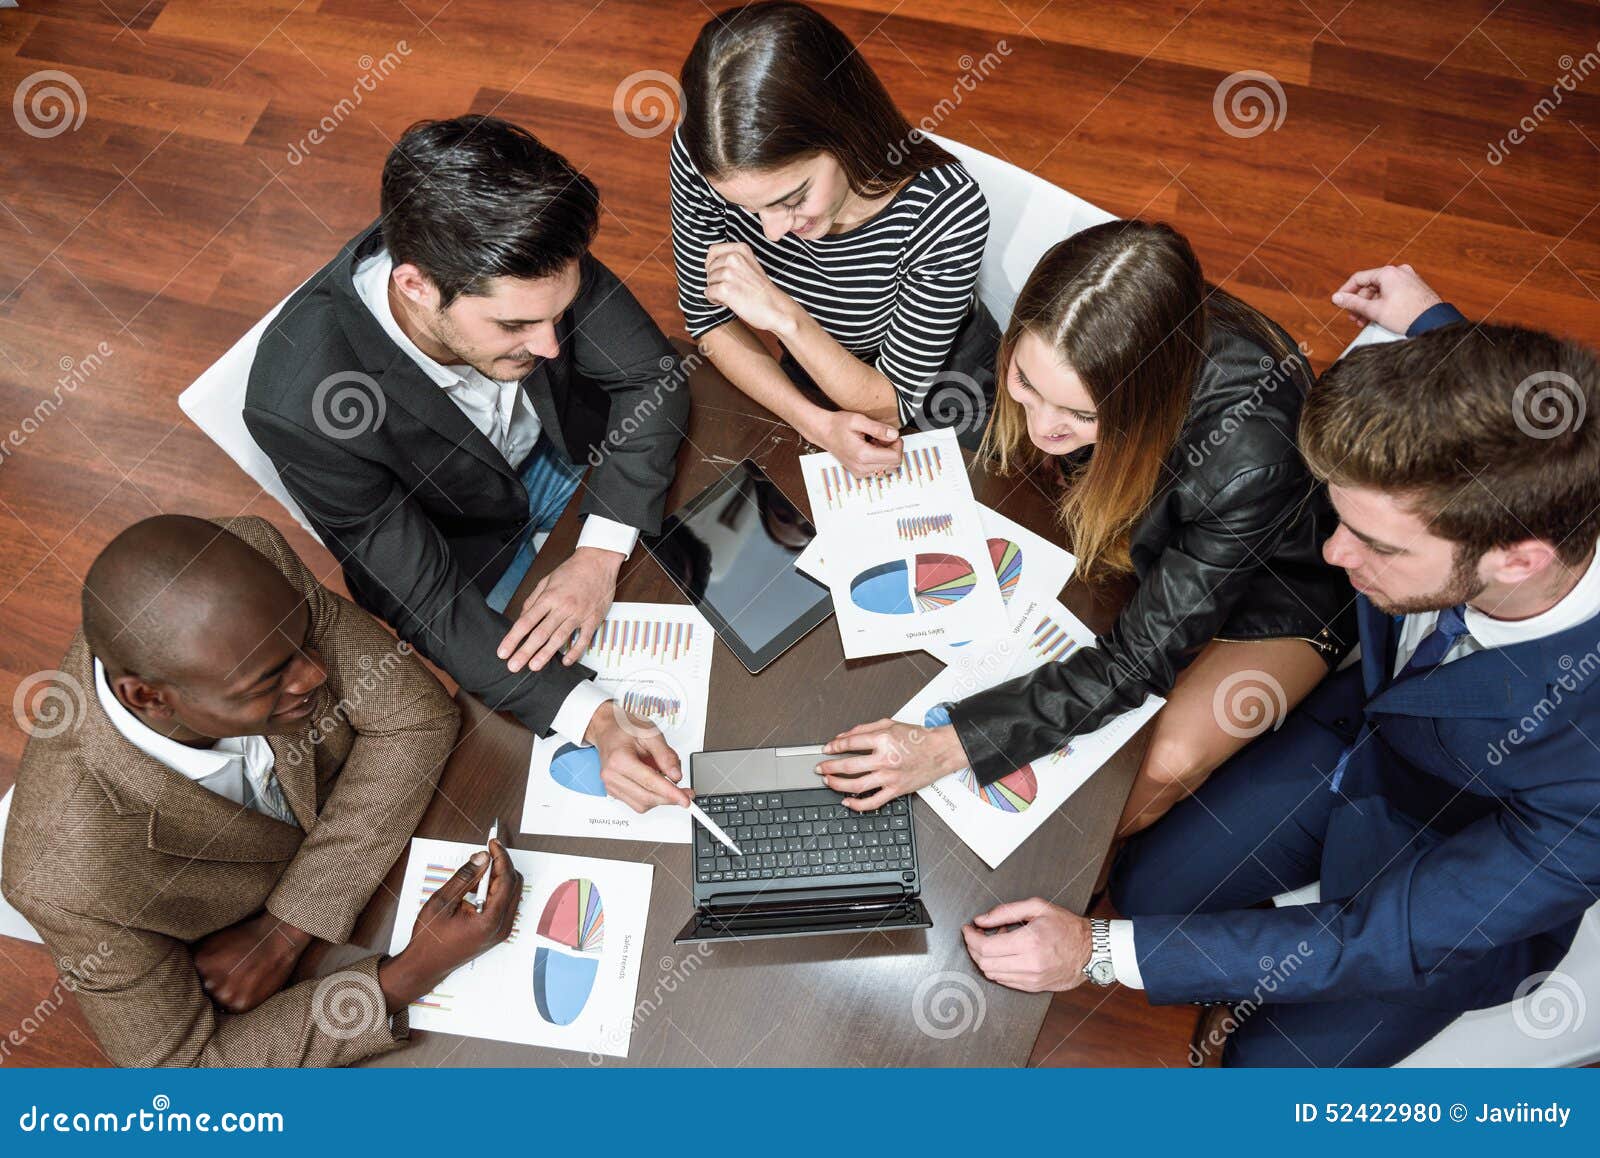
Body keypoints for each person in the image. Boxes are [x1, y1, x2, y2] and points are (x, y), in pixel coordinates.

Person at [962, 270, 1600, 1067]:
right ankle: (1246, 952)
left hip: (1466, 875)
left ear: (1519, 560)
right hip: (1362, 736)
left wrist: (1094, 955)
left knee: (1259, 1071)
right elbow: (1502, 408)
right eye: (1344, 519)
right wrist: (1431, 320)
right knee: (1153, 893)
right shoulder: (1543, 464)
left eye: (1378, 546)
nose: (1334, 555)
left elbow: (1386, 933)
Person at [820, 220, 1355, 842]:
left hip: (1272, 600)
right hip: (1141, 533)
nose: (1043, 427)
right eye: (1026, 384)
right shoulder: (1099, 326)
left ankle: (1087, 875)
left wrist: (952, 745)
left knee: (1157, 762)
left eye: (1080, 413)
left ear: (1146, 393)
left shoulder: (1250, 455)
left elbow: (1137, 663)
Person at [246, 114, 690, 813]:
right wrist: (595, 719)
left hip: (574, 456)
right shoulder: (300, 403)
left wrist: (600, 551)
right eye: (514, 327)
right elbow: (429, 603)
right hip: (475, 555)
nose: (550, 344)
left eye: (560, 312)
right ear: (418, 286)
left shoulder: (525, 248)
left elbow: (652, 378)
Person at [1, 515, 519, 1066]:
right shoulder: (65, 881)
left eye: (302, 639)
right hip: (332, 972)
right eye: (270, 679)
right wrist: (412, 972)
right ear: (148, 698)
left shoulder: (250, 568)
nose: (314, 675)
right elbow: (189, 1075)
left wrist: (283, 930)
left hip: (370, 883)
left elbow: (414, 716)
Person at [670, 0, 998, 476]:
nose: (771, 230)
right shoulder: (709, 158)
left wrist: (784, 316)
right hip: (815, 361)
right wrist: (816, 423)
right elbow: (706, 319)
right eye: (744, 208)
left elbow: (891, 405)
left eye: (792, 197)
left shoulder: (947, 211)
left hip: (945, 378)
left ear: (842, 128)